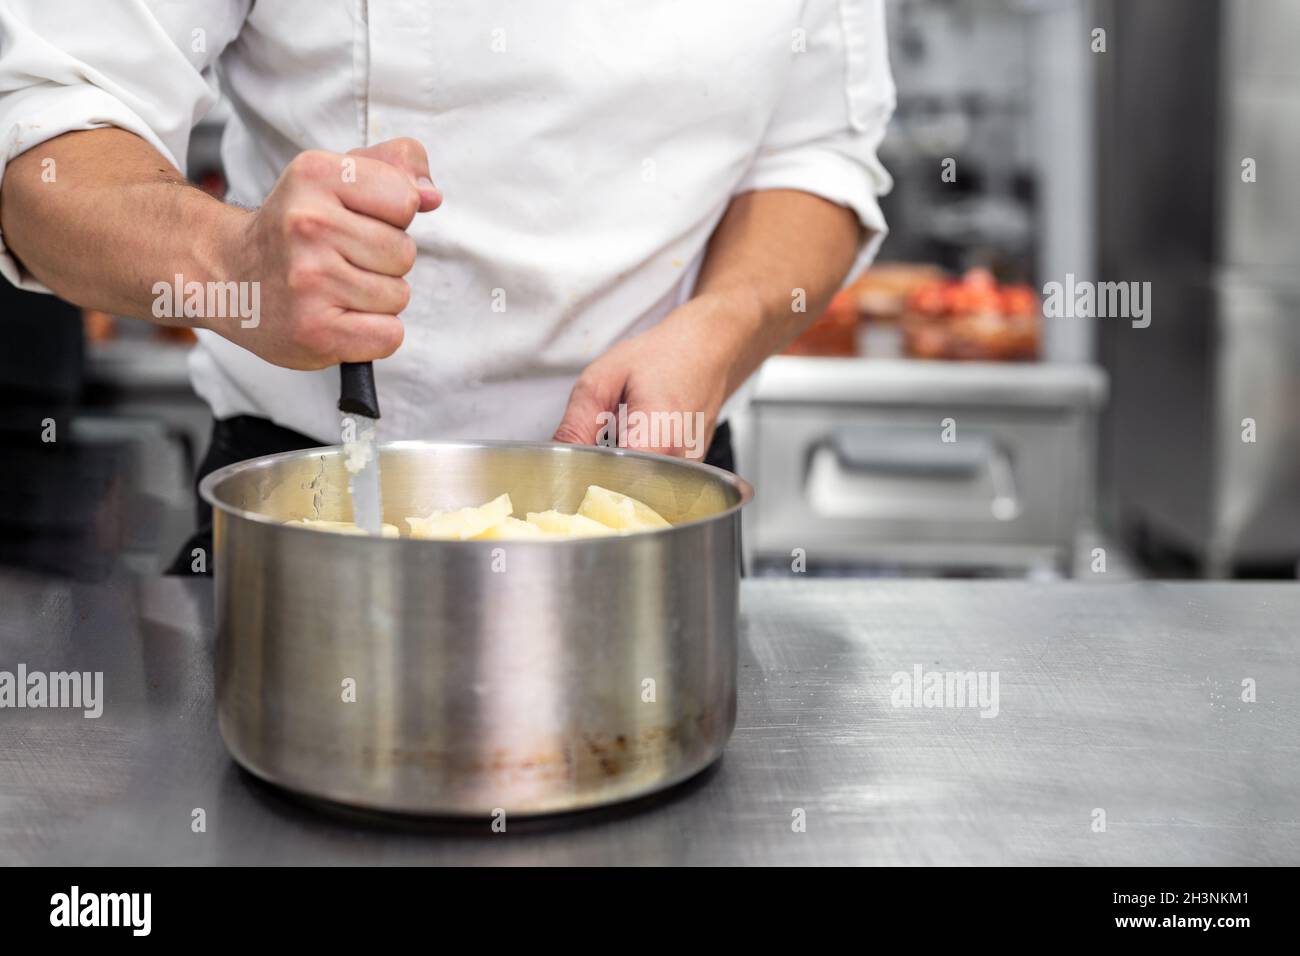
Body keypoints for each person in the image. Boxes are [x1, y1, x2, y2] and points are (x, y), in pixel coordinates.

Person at [0, 1, 894, 569]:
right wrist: (229, 265)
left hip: (656, 502)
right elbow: (43, 127)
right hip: (314, 511)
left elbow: (816, 156)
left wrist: (720, 327)